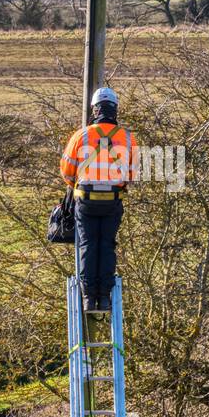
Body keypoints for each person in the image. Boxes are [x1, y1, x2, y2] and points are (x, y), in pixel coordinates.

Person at [59, 87, 138, 312]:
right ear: (115, 110)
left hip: (85, 201)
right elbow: (132, 174)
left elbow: (66, 171)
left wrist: (78, 182)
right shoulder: (128, 138)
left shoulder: (81, 136)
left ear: (95, 109)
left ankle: (87, 297)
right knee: (107, 245)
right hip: (112, 201)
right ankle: (104, 296)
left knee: (87, 245)